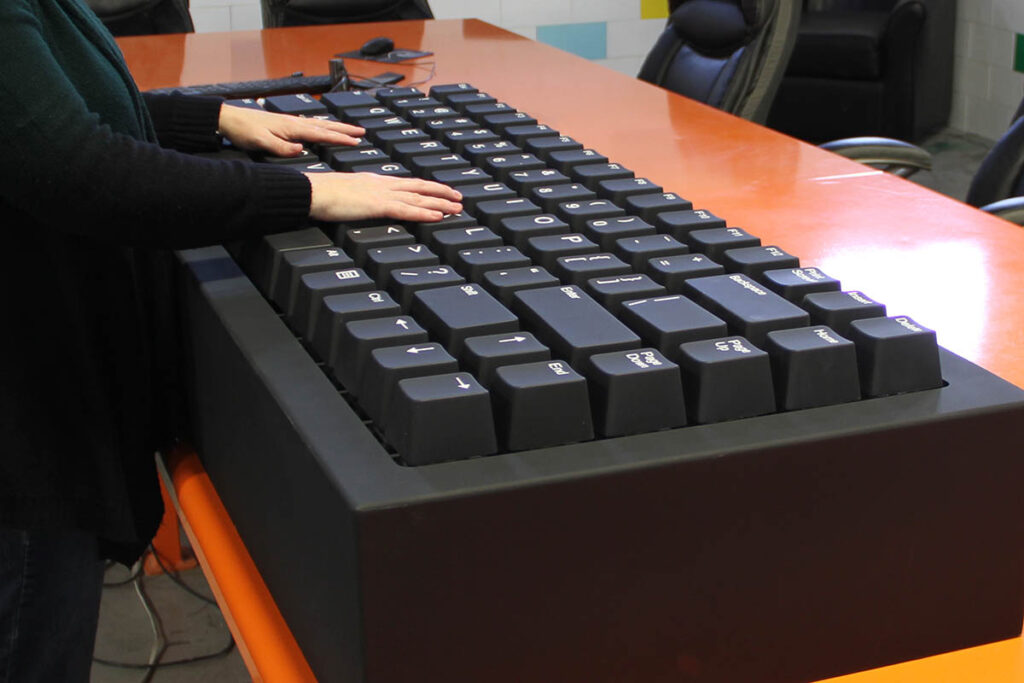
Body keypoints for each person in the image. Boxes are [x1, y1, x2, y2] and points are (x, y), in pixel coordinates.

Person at [0, 1, 462, 680]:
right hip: (23, 447)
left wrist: (214, 118)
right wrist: (306, 194)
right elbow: (77, 170)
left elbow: (44, 115)